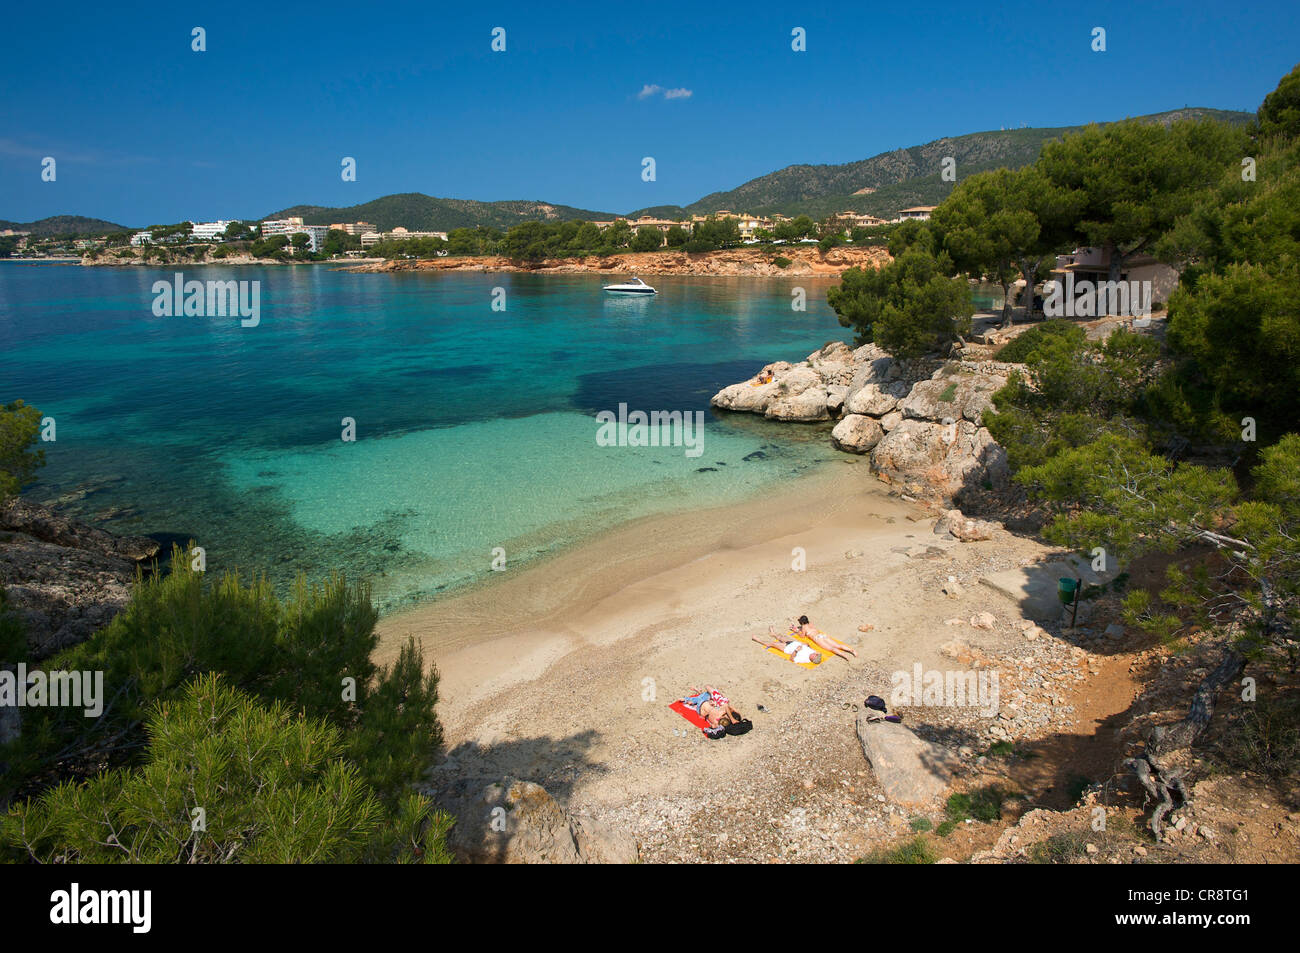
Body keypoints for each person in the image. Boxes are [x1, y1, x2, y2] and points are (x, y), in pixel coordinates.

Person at [778, 615, 858, 660]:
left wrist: (796, 631)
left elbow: (802, 636)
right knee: (838, 645)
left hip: (818, 639)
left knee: (832, 649)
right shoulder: (810, 624)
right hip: (822, 636)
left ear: (801, 622)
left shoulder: (804, 627)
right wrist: (798, 628)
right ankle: (852, 651)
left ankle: (845, 656)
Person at [750, 632, 823, 665]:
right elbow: (809, 647)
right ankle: (773, 634)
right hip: (794, 643)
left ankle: (757, 640)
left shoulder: (805, 659)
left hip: (788, 648)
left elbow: (792, 659)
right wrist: (807, 645)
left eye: (815, 655)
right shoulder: (813, 652)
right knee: (781, 637)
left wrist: (796, 650)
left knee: (772, 644)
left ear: (813, 658)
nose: (815, 654)